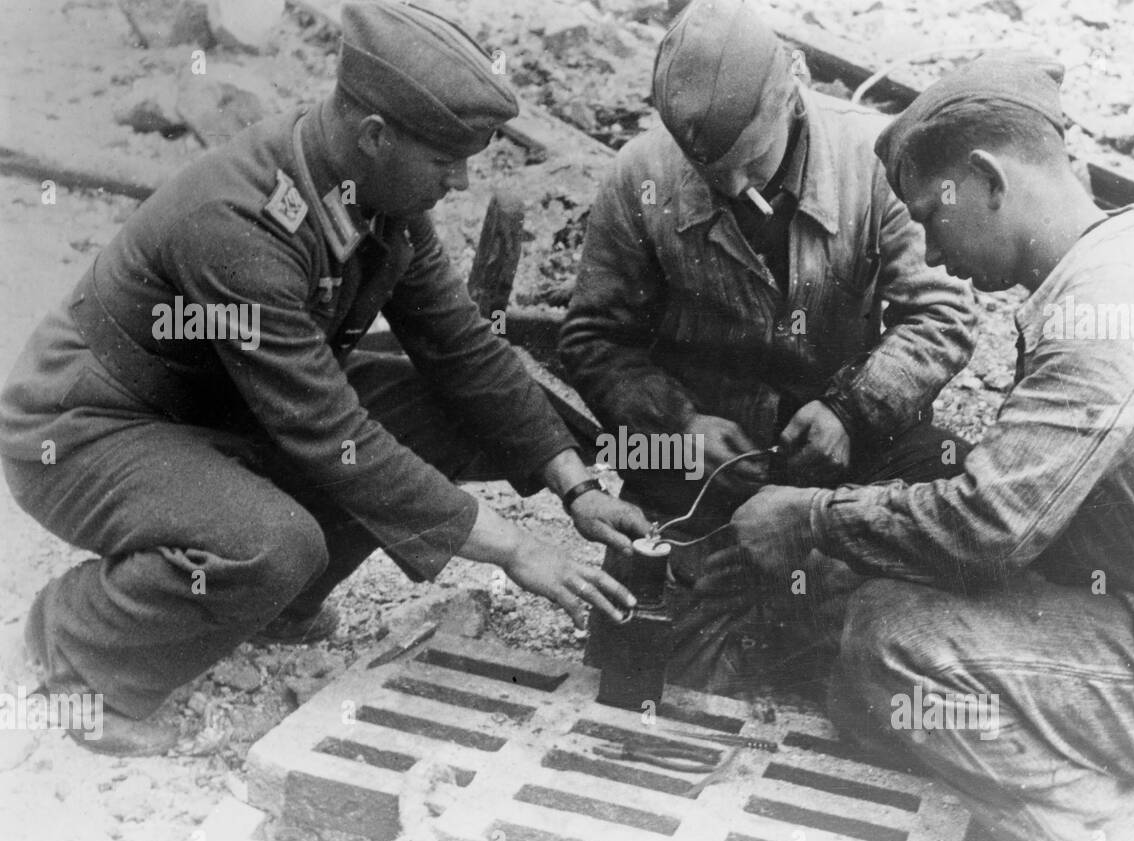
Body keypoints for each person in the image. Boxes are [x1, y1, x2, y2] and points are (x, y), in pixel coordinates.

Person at [723, 53, 1134, 841]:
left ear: (987, 180)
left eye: (932, 217)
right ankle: (1073, 765)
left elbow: (992, 525)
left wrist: (813, 519)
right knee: (886, 609)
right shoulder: (1116, 271)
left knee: (892, 642)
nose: (936, 257)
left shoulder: (1117, 307)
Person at [0, 1, 650, 756]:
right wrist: (512, 550)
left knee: (437, 408)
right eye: (448, 161)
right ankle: (75, 651)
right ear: (376, 136)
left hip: (225, 409)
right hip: (94, 424)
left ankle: (274, 608)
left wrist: (578, 485)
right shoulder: (239, 225)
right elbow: (327, 431)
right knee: (270, 545)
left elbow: (460, 344)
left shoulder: (375, 198)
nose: (463, 180)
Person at [559, 0, 974, 689]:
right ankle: (785, 618)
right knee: (646, 679)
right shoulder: (640, 177)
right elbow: (593, 337)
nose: (731, 188)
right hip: (702, 480)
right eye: (707, 171)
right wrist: (678, 424)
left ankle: (826, 614)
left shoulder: (877, 161)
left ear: (791, 92)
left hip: (848, 469)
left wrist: (852, 409)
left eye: (748, 163)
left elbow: (941, 314)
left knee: (933, 565)